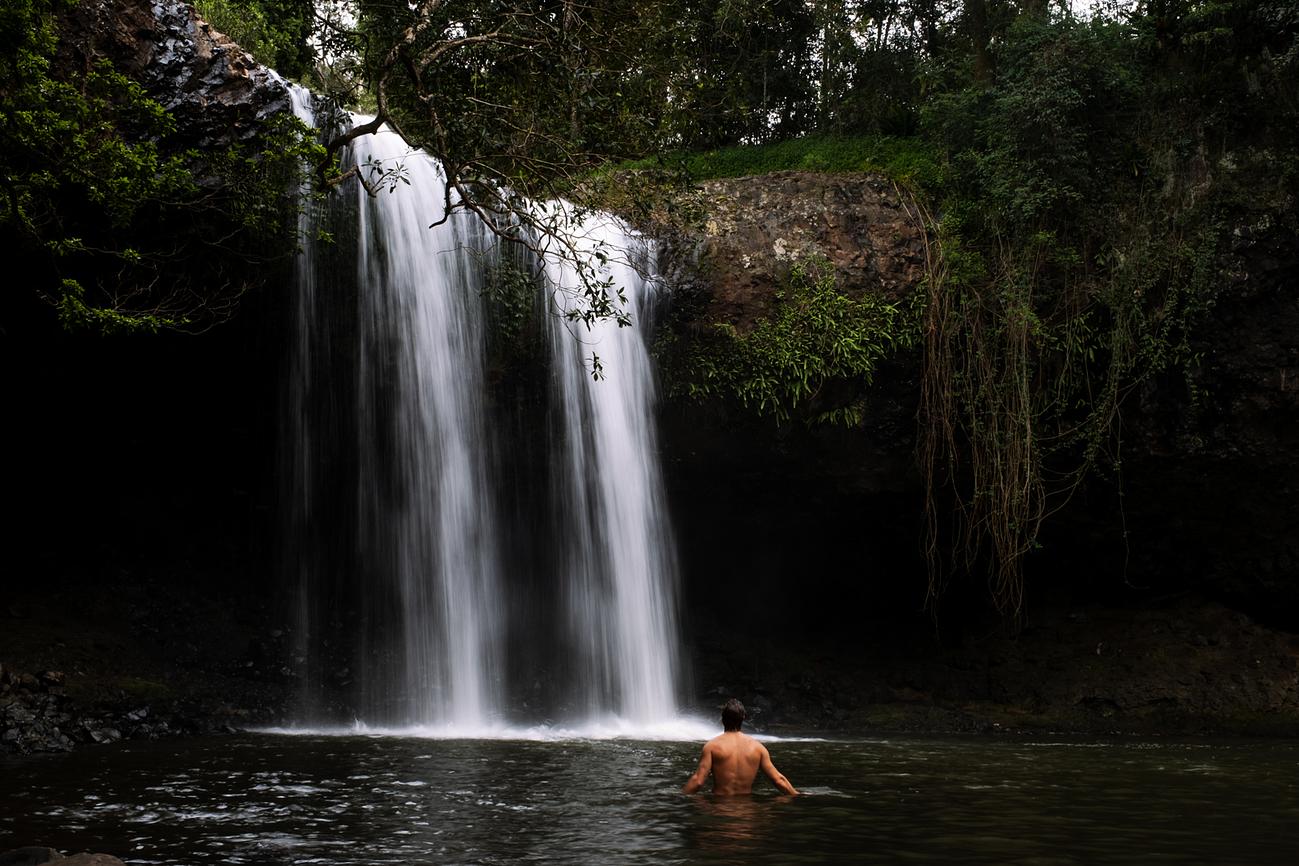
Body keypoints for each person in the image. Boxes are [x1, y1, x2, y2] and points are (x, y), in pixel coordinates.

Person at [682, 699, 799, 796]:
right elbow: (778, 780)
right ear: (743, 718)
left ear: (722, 719)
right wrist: (797, 795)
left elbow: (698, 781)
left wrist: (679, 798)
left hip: (720, 809)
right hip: (746, 812)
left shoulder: (712, 746)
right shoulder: (758, 748)